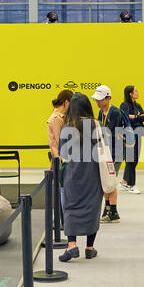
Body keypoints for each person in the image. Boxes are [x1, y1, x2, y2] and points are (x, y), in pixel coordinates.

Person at [57, 92, 103, 261]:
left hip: (73, 173)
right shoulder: (95, 124)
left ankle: (72, 245)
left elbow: (63, 152)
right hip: (93, 173)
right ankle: (90, 248)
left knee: (70, 207)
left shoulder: (67, 126)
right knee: (93, 208)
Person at [92, 85, 123, 223]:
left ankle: (113, 212)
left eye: (100, 100)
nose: (97, 102)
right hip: (105, 151)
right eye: (96, 100)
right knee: (105, 181)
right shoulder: (100, 113)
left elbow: (111, 133)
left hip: (115, 152)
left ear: (108, 98)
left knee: (110, 181)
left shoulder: (115, 112)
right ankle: (108, 209)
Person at [119, 85, 144, 194]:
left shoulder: (137, 105)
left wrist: (134, 117)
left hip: (139, 133)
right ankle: (132, 185)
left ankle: (124, 181)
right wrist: (138, 116)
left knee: (134, 160)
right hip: (130, 135)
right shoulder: (124, 105)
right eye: (135, 91)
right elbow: (125, 118)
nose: (137, 92)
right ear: (130, 93)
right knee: (131, 159)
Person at [46, 88, 73, 162]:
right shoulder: (56, 119)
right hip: (60, 158)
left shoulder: (63, 117)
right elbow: (61, 142)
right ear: (66, 102)